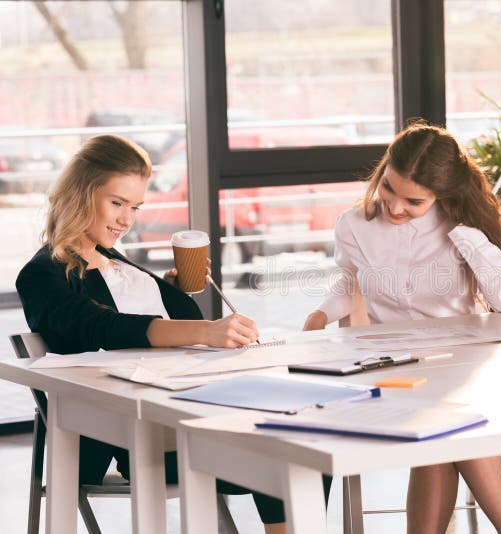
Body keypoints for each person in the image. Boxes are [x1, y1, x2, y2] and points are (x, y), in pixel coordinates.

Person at [15, 134, 316, 534]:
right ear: (80, 193)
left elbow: (160, 325)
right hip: (136, 432)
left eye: (135, 206)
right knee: (288, 452)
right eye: (117, 203)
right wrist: (207, 331)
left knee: (301, 445)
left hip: (184, 407)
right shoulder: (42, 275)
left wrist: (169, 291)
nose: (127, 219)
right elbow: (101, 325)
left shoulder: (110, 256)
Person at [303, 122, 501, 534]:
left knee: (446, 420)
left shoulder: (461, 227)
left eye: (414, 201)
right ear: (383, 170)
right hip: (394, 368)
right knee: (448, 418)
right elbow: (350, 280)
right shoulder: (354, 225)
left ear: (441, 194)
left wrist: (469, 234)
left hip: (463, 365)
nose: (395, 207)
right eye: (389, 188)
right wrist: (320, 315)